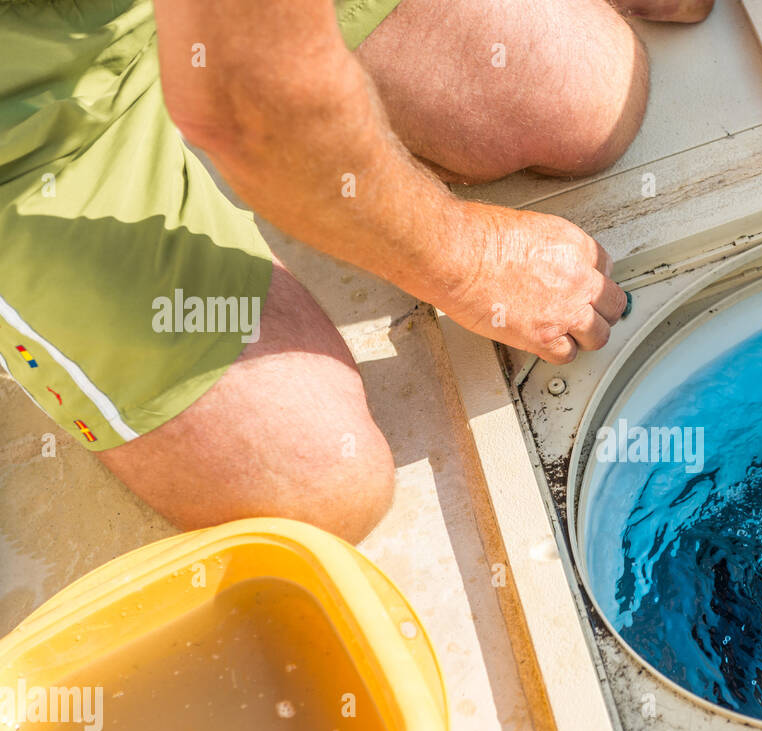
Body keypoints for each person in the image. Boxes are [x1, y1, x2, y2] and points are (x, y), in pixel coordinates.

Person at [0, 0, 712, 542]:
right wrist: (470, 263)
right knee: (311, 486)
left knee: (583, 94)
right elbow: (250, 109)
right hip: (24, 97)